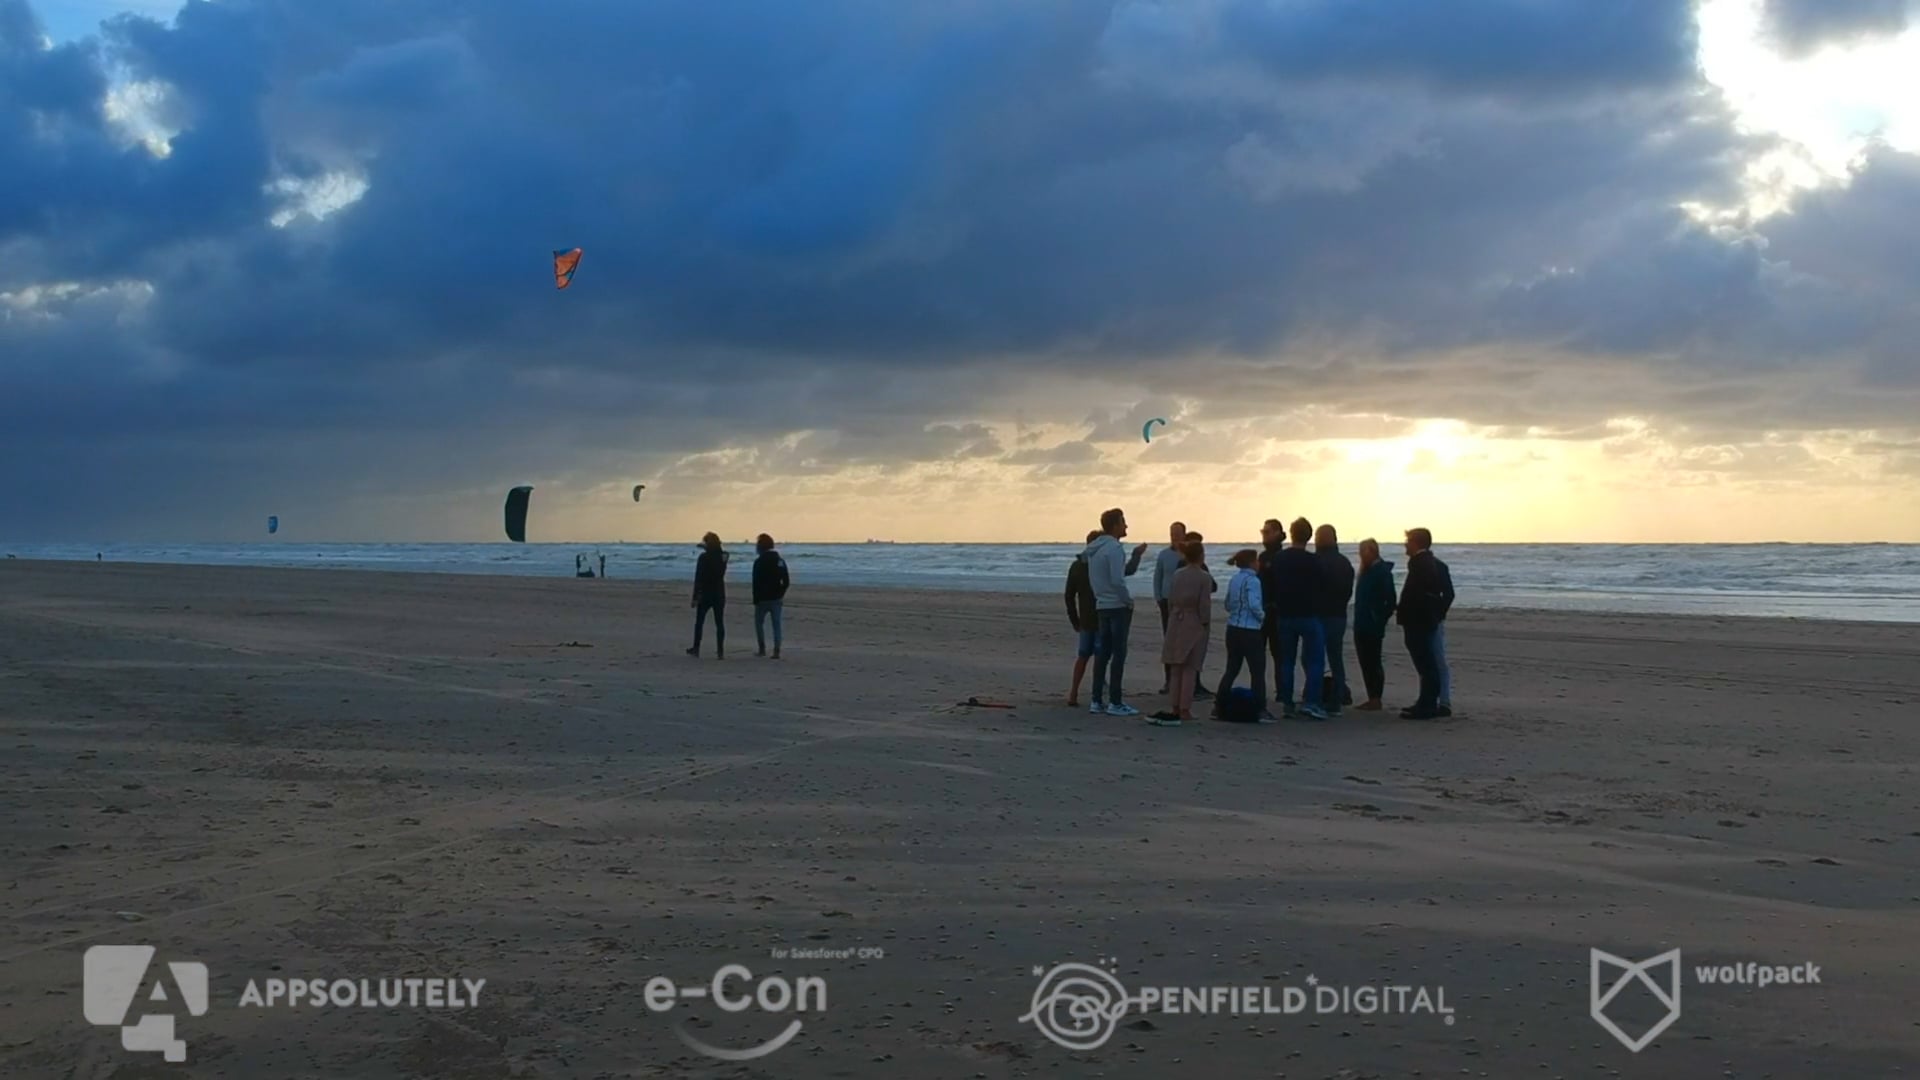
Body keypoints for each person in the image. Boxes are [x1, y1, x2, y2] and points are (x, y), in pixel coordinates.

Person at [1084, 507, 1149, 717]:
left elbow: (1116, 573)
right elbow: (1117, 579)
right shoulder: (1113, 548)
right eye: (1123, 522)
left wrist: (1136, 556)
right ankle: (1115, 701)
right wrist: (1127, 600)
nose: (1126, 525)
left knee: (1103, 653)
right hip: (1116, 605)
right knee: (1118, 653)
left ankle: (1096, 699)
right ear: (1115, 525)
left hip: (1102, 603)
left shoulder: (1095, 548)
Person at [1267, 517, 1328, 720]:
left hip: (1285, 613)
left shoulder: (1279, 559)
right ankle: (1310, 701)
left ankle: (1287, 702)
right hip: (1309, 613)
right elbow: (1322, 586)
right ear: (1309, 536)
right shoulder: (1314, 560)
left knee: (1286, 661)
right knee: (1315, 660)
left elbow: (1272, 583)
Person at [1396, 527, 1456, 719]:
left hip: (1421, 621)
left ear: (1416, 542)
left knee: (1429, 662)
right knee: (1429, 662)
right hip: (1425, 619)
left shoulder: (1423, 564)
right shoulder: (1428, 563)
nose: (1405, 544)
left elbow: (1438, 595)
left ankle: (1431, 703)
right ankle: (1427, 701)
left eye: (1408, 541)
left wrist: (1436, 613)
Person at [1213, 548, 1274, 722]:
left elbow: (1227, 603)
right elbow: (1254, 604)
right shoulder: (1253, 581)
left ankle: (1219, 706)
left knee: (1231, 669)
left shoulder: (1234, 579)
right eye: (1256, 561)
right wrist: (1262, 617)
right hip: (1250, 630)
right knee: (1257, 671)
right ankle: (1260, 709)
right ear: (1251, 562)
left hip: (1233, 628)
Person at [1155, 539, 1211, 726]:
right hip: (1193, 620)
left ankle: (1175, 706)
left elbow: (1170, 598)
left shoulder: (1178, 574)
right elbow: (1204, 606)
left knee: (1176, 666)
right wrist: (1204, 623)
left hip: (1176, 619)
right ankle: (1185, 708)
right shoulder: (1204, 577)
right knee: (1190, 668)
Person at [1313, 524, 1356, 716]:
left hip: (1320, 614)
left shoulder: (1316, 561)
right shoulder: (1344, 562)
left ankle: (1315, 697)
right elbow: (1348, 590)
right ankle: (1336, 701)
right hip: (1338, 614)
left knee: (1314, 658)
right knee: (1336, 659)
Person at [1351, 538, 1397, 710]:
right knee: (1366, 661)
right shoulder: (1367, 571)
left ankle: (1376, 697)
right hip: (1362, 622)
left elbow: (1390, 601)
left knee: (1373, 661)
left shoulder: (1381, 572)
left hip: (1372, 624)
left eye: (1364, 551)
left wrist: (1379, 618)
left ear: (1372, 551)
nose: (1361, 555)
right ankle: (1373, 696)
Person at [1064, 530, 1102, 706]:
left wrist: (1074, 619)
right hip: (1101, 617)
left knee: (1083, 656)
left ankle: (1074, 692)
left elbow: (1069, 595)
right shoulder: (1099, 565)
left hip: (1086, 618)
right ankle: (1094, 694)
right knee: (1098, 657)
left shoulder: (1077, 565)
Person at [1152, 522, 1188, 694]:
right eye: (1171, 533)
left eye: (1177, 533)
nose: (1174, 536)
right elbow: (1157, 577)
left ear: (1184, 534)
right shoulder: (1164, 555)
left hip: (1186, 603)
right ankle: (1169, 681)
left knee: (1187, 642)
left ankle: (1189, 681)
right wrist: (1158, 597)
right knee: (1169, 642)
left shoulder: (1189, 554)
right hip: (1167, 602)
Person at [1256, 518, 1288, 697]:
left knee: (1280, 654)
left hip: (1277, 611)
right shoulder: (1263, 556)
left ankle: (1282, 691)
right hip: (1262, 610)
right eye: (1263, 532)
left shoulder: (1281, 556)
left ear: (1277, 533)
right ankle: (1259, 689)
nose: (1264, 535)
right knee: (1259, 654)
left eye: (1267, 532)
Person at [687, 532, 729, 659]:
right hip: (719, 593)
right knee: (719, 622)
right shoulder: (724, 556)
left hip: (705, 593)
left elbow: (698, 578)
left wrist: (695, 597)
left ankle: (696, 648)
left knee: (699, 622)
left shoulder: (703, 558)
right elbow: (721, 560)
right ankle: (720, 651)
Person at [751, 533, 790, 659]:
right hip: (776, 598)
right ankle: (776, 649)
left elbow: (755, 582)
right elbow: (786, 581)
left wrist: (755, 598)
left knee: (759, 624)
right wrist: (781, 593)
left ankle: (762, 648)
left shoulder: (759, 562)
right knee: (776, 624)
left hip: (762, 598)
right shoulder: (779, 561)